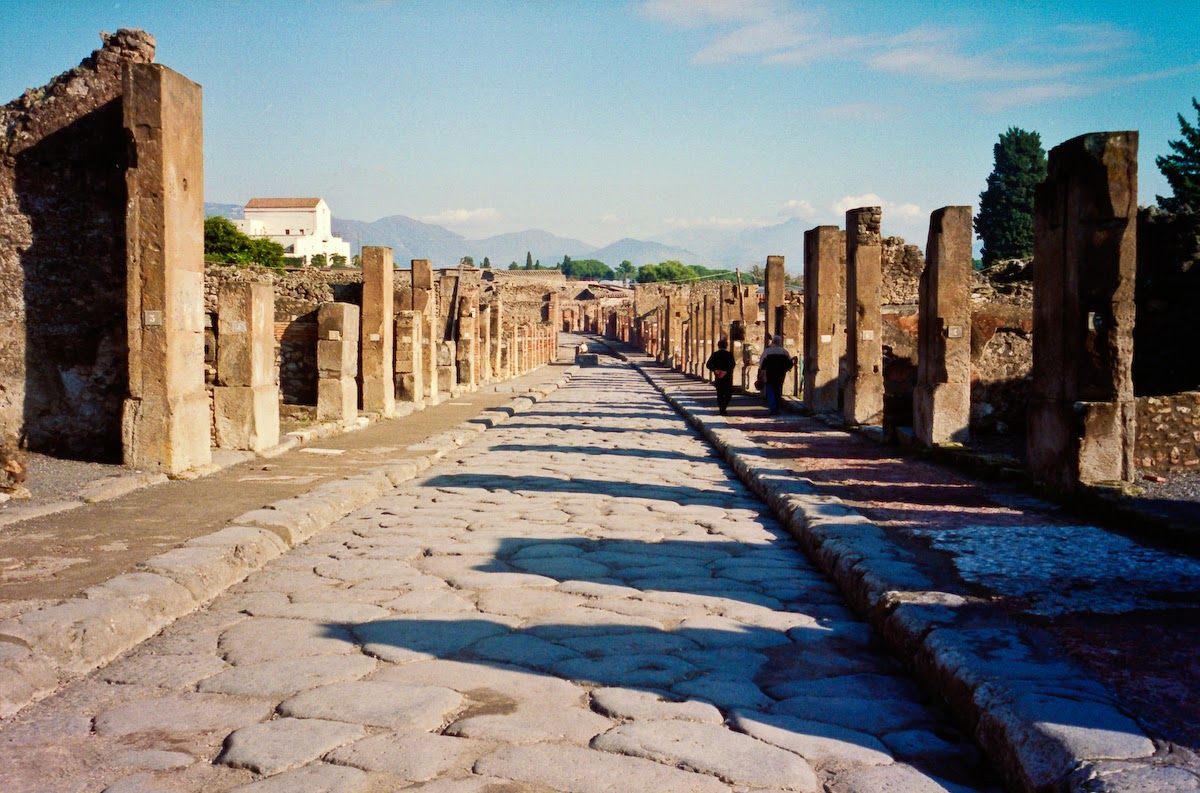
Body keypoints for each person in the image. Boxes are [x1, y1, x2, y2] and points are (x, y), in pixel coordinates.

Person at [759, 335, 796, 416]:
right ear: (780, 342)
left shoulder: (767, 351)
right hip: (780, 373)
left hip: (770, 373)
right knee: (778, 389)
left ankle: (773, 407)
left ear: (772, 341)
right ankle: (777, 407)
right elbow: (790, 363)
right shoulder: (784, 352)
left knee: (770, 389)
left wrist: (761, 372)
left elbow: (762, 363)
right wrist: (786, 369)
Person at [705, 339, 736, 415]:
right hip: (727, 377)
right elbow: (732, 365)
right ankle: (724, 407)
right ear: (726, 346)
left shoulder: (715, 354)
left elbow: (708, 365)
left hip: (718, 377)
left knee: (720, 393)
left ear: (718, 346)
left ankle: (721, 408)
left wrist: (715, 370)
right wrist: (725, 371)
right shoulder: (729, 354)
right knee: (728, 393)